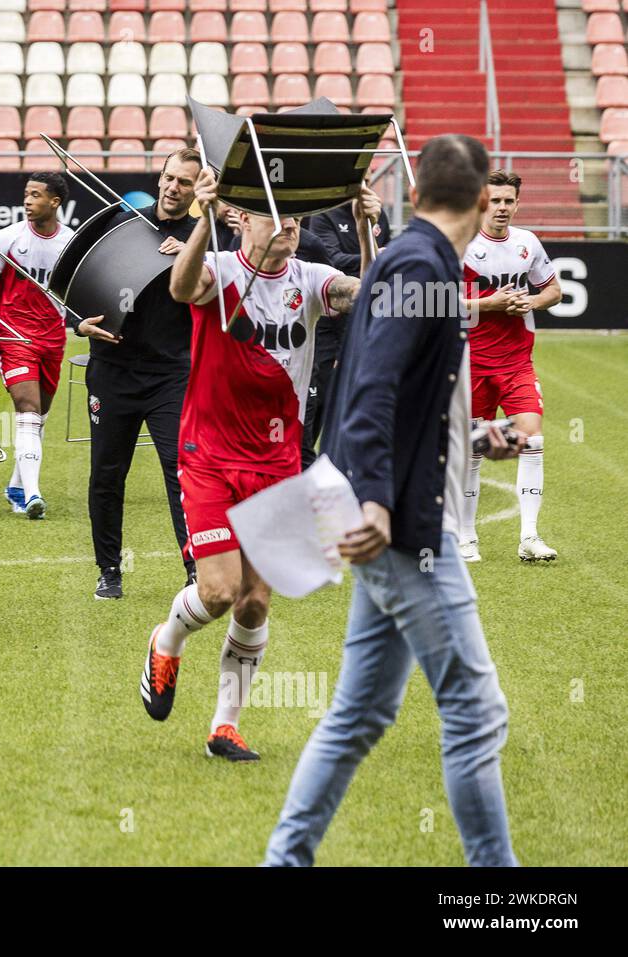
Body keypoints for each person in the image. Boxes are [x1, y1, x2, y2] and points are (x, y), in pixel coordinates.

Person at [265, 135, 522, 867]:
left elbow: (408, 399)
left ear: (416, 194)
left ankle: (284, 860)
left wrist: (478, 436)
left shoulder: (414, 260)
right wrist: (376, 503)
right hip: (398, 527)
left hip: (383, 513)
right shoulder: (421, 265)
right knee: (477, 711)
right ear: (481, 201)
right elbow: (371, 387)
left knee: (359, 713)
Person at [140, 167, 378, 762]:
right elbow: (179, 287)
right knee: (218, 592)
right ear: (240, 219)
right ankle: (166, 640)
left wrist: (366, 228)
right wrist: (200, 216)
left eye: (296, 216)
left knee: (255, 600)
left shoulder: (312, 278)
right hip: (210, 455)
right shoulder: (219, 269)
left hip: (277, 461)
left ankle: (226, 726)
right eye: (276, 213)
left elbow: (371, 297)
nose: (291, 224)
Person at [74, 148, 202, 598]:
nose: (172, 188)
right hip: (112, 372)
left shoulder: (206, 237)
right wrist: (79, 322)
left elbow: (226, 292)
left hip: (172, 374)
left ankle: (195, 570)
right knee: (107, 474)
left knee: (181, 471)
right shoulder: (122, 223)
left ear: (195, 190)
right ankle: (109, 570)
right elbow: (74, 285)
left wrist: (194, 255)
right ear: (159, 177)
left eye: (184, 183)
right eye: (169, 178)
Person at [458, 170, 562, 563]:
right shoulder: (462, 245)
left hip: (517, 361)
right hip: (470, 363)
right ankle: (467, 538)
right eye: (495, 200)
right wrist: (490, 304)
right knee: (473, 451)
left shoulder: (527, 243)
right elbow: (439, 303)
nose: (502, 207)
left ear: (517, 204)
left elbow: (553, 290)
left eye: (508, 201)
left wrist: (530, 303)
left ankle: (530, 537)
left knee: (532, 442)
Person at [0, 173, 75, 520]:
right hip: (12, 336)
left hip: (53, 339)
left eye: (35, 195)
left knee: (38, 418)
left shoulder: (71, 243)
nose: (27, 201)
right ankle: (32, 494)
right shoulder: (7, 237)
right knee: (27, 409)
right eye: (25, 194)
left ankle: (16, 487)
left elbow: (76, 293)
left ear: (55, 202)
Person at [301, 170, 391, 467]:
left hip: (365, 318)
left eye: (365, 175)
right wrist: (378, 254)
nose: (360, 181)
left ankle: (338, 468)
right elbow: (334, 261)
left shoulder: (377, 214)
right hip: (328, 322)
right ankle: (305, 462)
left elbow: (381, 270)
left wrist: (375, 243)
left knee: (360, 402)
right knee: (322, 400)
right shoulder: (323, 215)